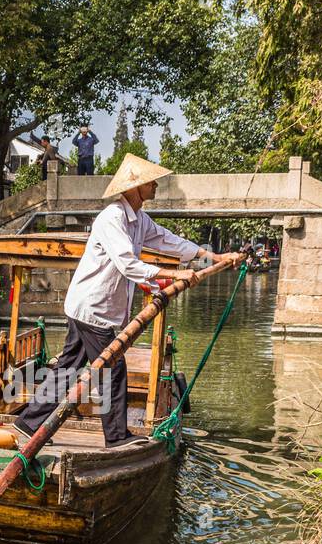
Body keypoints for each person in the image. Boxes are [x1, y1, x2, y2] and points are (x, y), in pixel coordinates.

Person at [13, 154, 242, 448]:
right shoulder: (112, 218)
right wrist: (176, 274)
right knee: (114, 368)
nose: (156, 186)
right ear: (136, 187)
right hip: (92, 308)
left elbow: (168, 240)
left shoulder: (139, 219)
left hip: (94, 308)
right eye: (151, 182)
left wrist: (212, 256)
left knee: (68, 369)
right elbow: (128, 264)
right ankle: (116, 436)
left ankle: (27, 424)